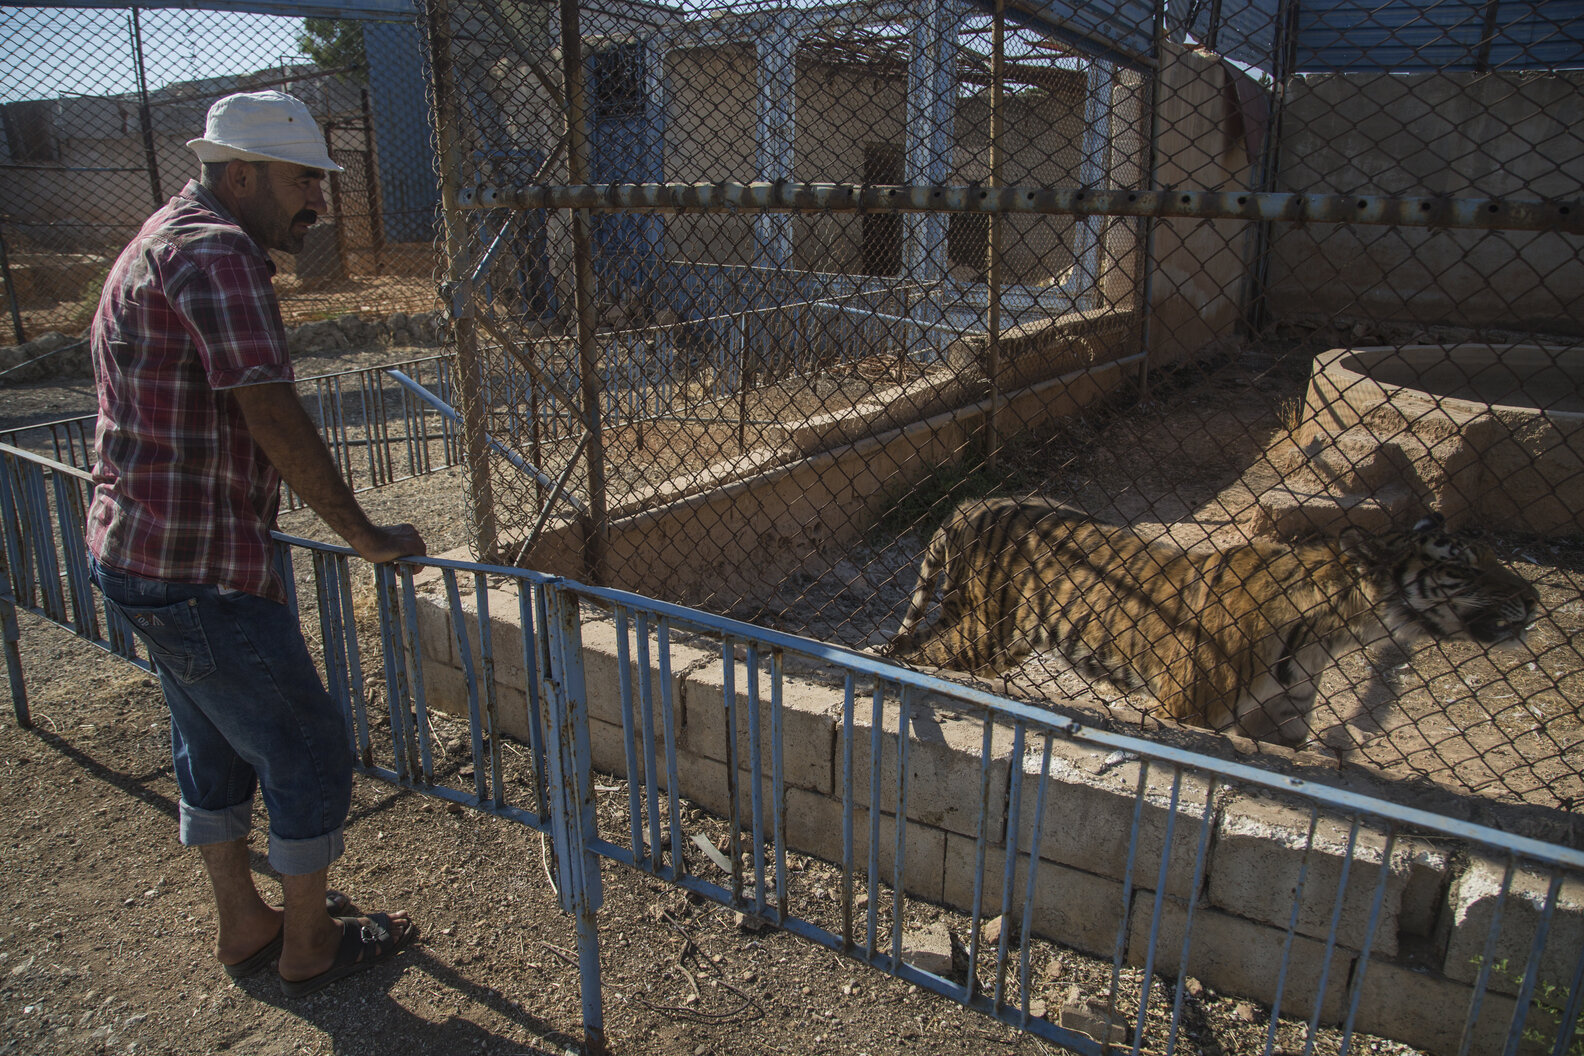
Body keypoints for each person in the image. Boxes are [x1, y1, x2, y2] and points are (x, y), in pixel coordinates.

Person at [86, 90, 425, 997]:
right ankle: (311, 945)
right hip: (199, 564)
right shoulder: (219, 252)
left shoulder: (159, 234)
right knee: (307, 746)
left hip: (139, 548)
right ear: (241, 174)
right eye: (301, 180)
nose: (317, 202)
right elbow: (267, 403)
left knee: (213, 737)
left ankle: (244, 922)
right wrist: (362, 534)